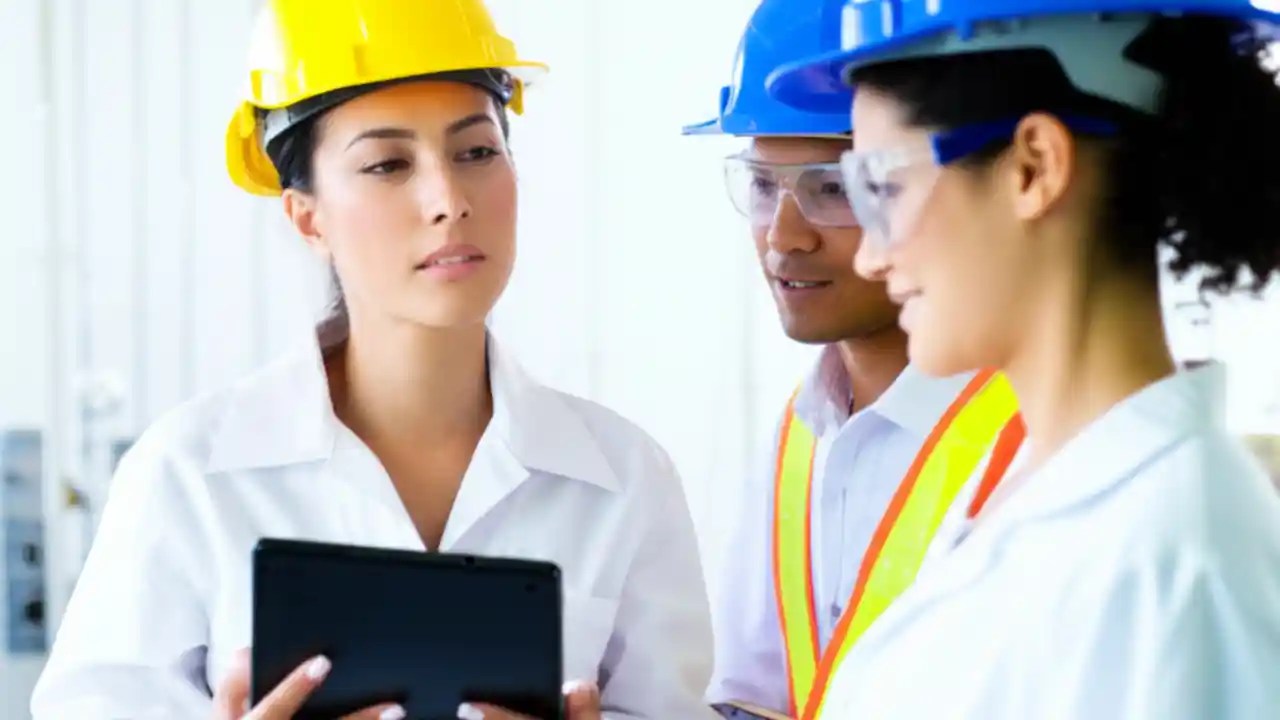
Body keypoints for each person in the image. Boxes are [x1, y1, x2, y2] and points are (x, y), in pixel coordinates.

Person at [29, 1, 715, 718]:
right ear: (308, 216)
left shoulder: (624, 478)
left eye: (476, 152)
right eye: (387, 164)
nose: (448, 199)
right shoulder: (186, 476)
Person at [765, 0, 1280, 716]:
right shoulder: (1035, 487)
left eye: (883, 188)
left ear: (1034, 168)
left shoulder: (1182, 557)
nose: (875, 256)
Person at [682, 2, 1024, 718]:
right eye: (763, 185)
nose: (784, 237)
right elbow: (758, 700)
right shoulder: (800, 437)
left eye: (834, 189)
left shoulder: (1032, 438)